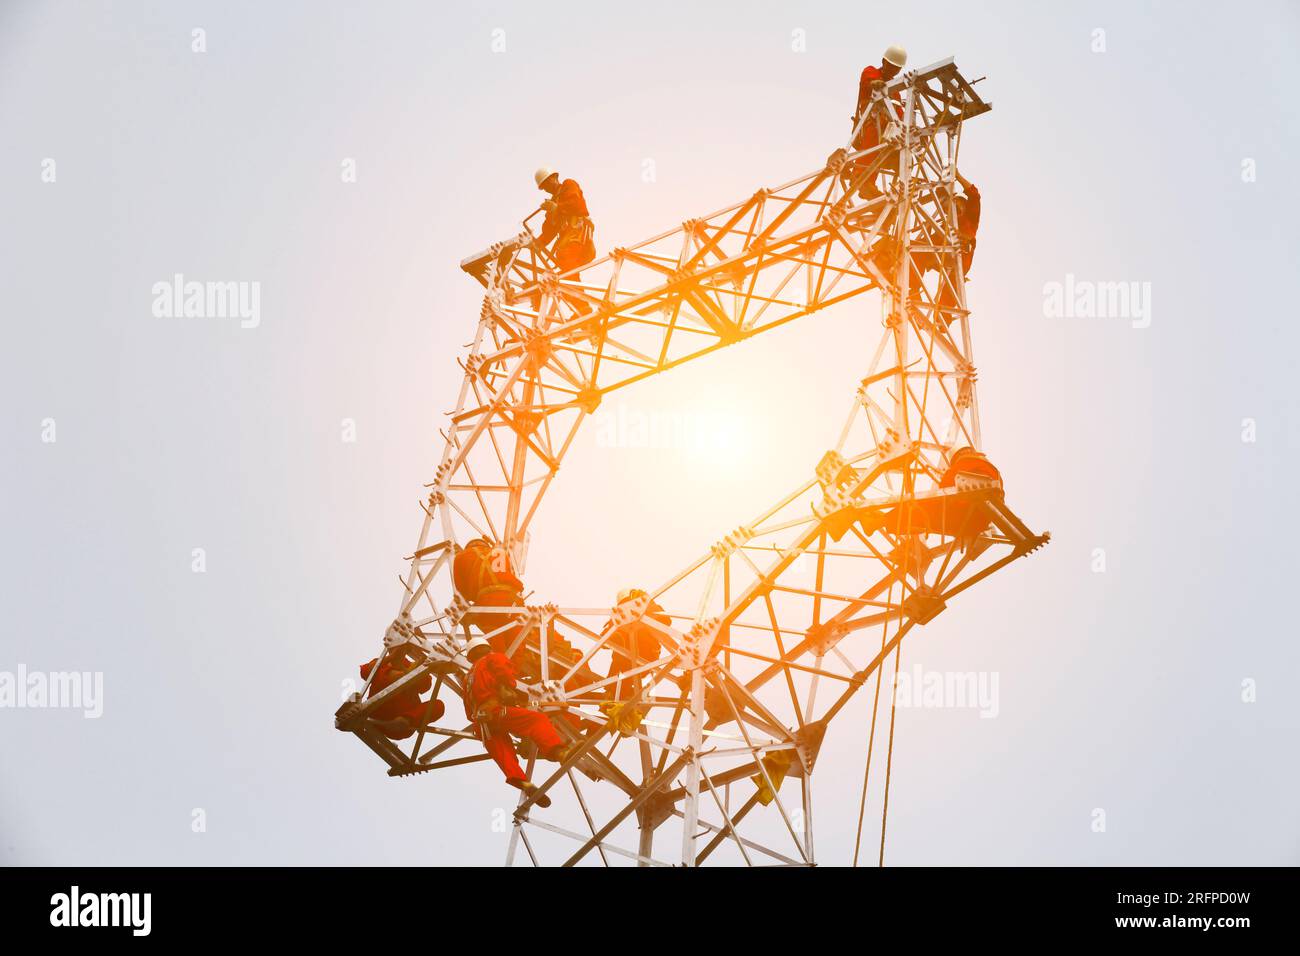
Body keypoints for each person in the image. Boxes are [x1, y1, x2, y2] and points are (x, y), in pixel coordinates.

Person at [463, 637, 570, 806]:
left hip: (481, 722)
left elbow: (469, 712)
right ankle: (559, 752)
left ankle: (521, 780)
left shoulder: (467, 678)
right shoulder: (491, 658)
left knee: (503, 753)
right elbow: (503, 669)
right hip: (496, 712)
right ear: (486, 648)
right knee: (537, 720)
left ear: (470, 656)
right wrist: (510, 686)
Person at [599, 588, 670, 736]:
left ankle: (614, 695)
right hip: (643, 659)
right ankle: (616, 696)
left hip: (639, 655)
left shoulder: (641, 608)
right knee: (622, 669)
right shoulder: (643, 607)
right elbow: (665, 620)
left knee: (619, 667)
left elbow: (665, 620)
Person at [849, 44, 907, 198]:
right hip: (871, 121)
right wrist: (876, 84)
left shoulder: (896, 91)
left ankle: (899, 186)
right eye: (891, 66)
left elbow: (900, 114)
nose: (893, 70)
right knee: (873, 140)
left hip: (887, 130)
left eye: (897, 68)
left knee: (905, 152)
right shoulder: (871, 71)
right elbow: (869, 81)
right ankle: (860, 178)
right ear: (883, 61)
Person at [358, 650, 445, 740]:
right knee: (382, 674)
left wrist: (416, 671)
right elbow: (365, 672)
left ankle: (405, 720)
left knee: (438, 706)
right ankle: (399, 721)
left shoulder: (413, 664)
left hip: (401, 724)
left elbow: (425, 686)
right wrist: (391, 659)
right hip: (378, 710)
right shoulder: (380, 662)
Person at [533, 167, 597, 278]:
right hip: (568, 241)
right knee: (564, 263)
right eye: (543, 187)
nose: (546, 189)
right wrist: (537, 243)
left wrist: (557, 208)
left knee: (566, 257)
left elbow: (576, 204)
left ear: (555, 177)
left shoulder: (568, 185)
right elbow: (549, 230)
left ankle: (575, 293)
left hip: (578, 234)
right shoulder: (552, 203)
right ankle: (571, 292)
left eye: (547, 183)